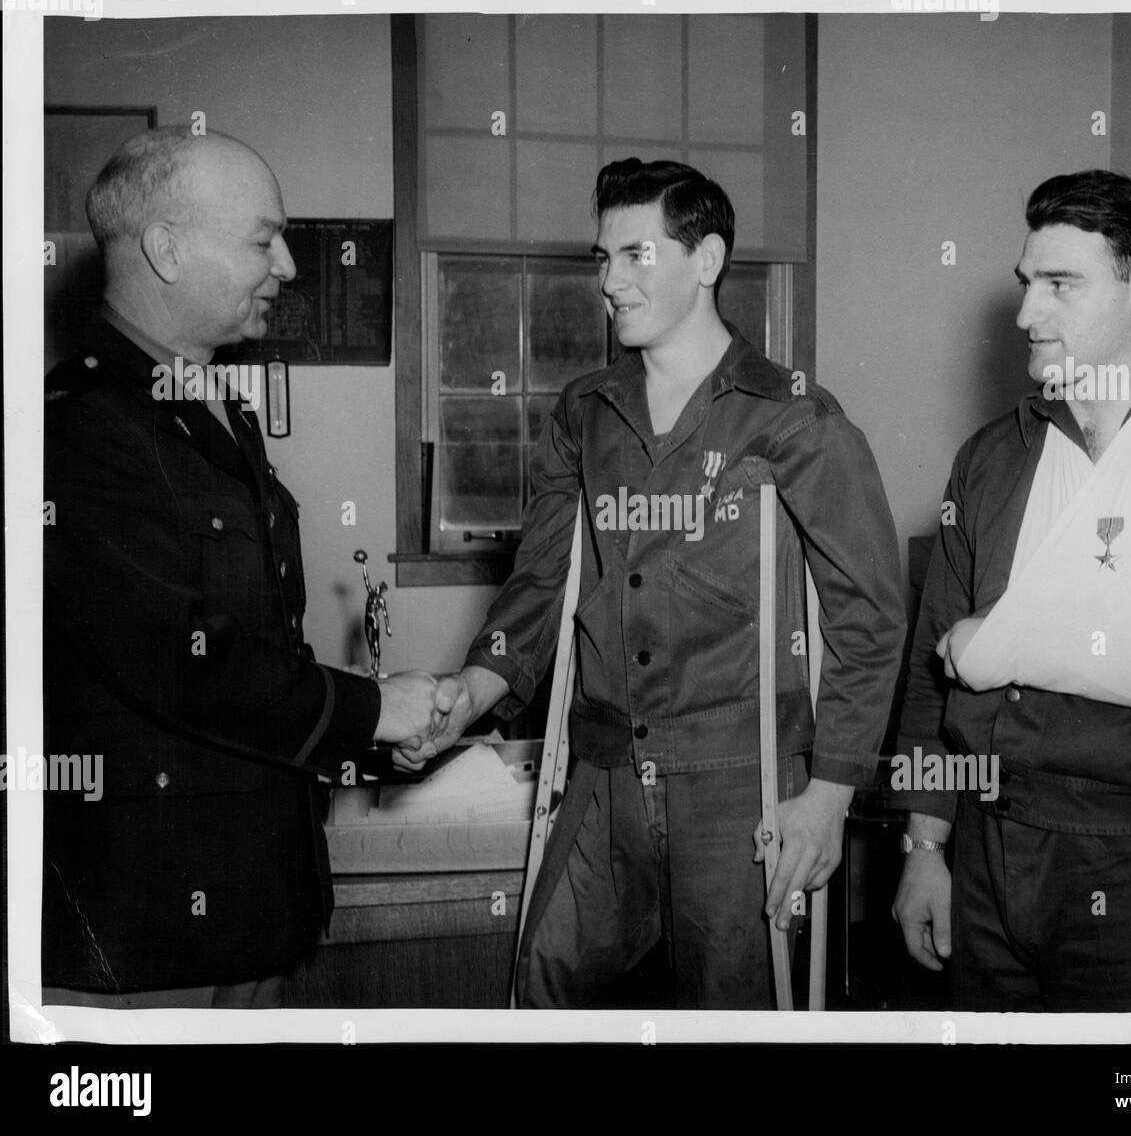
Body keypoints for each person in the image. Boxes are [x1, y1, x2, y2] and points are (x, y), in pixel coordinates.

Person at [414, 158, 907, 1008]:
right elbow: (540, 582)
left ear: (707, 260)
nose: (610, 281)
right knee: (543, 988)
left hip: (737, 778)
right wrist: (470, 687)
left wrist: (828, 798)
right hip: (603, 767)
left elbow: (869, 619)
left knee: (732, 1016)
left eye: (636, 255)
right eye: (603, 258)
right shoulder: (586, 411)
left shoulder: (794, 417)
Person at [42, 127, 450, 1008]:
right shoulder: (83, 430)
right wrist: (376, 709)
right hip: (155, 935)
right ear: (167, 248)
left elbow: (259, 641)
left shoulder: (208, 404)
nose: (290, 269)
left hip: (253, 902)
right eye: (263, 240)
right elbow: (181, 657)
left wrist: (374, 730)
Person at [890, 170, 1131, 1011]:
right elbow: (932, 669)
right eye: (1028, 284)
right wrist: (926, 843)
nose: (1028, 313)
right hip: (986, 848)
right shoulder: (991, 459)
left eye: (1061, 285)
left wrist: (1010, 632)